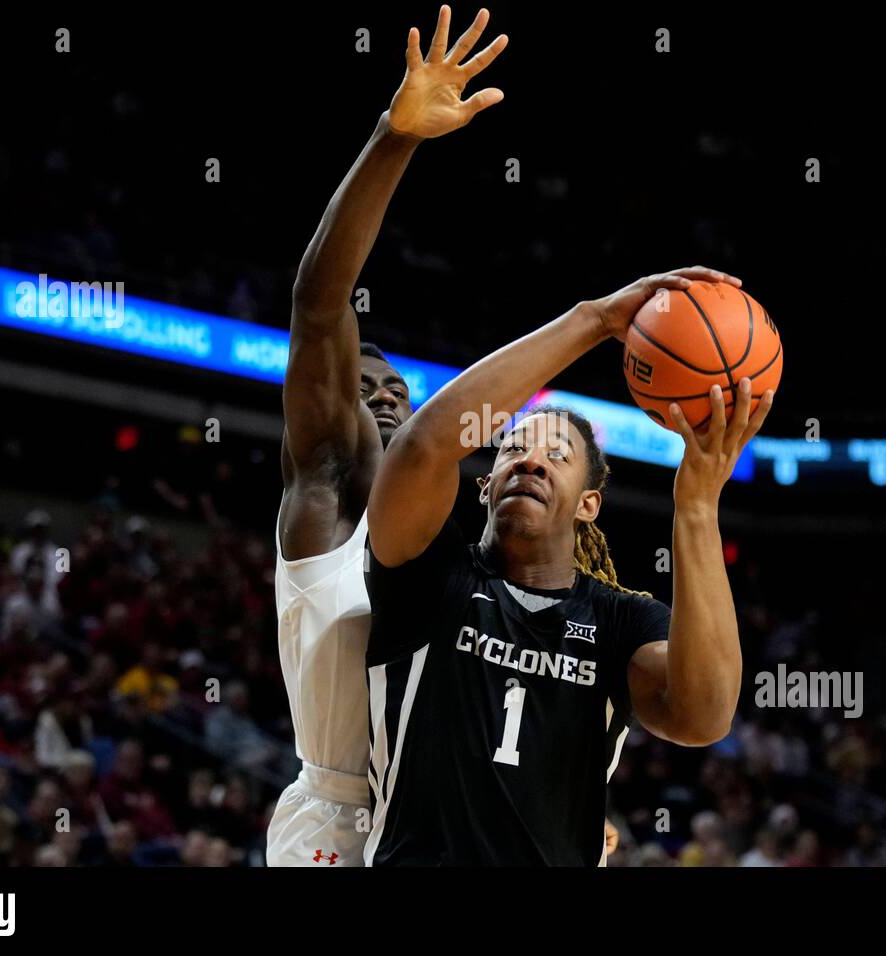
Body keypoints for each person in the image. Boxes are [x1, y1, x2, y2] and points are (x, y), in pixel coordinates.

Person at [363, 266, 774, 865]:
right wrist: (595, 319)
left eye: (557, 455)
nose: (531, 461)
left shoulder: (621, 620)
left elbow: (704, 715)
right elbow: (422, 447)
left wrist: (698, 506)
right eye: (512, 448)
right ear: (484, 486)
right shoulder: (430, 574)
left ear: (589, 505)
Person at [265, 5, 507, 867]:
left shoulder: (468, 550)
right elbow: (319, 304)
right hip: (341, 822)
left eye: (400, 388)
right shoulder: (327, 495)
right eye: (365, 391)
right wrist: (394, 138)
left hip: (453, 806)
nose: (387, 399)